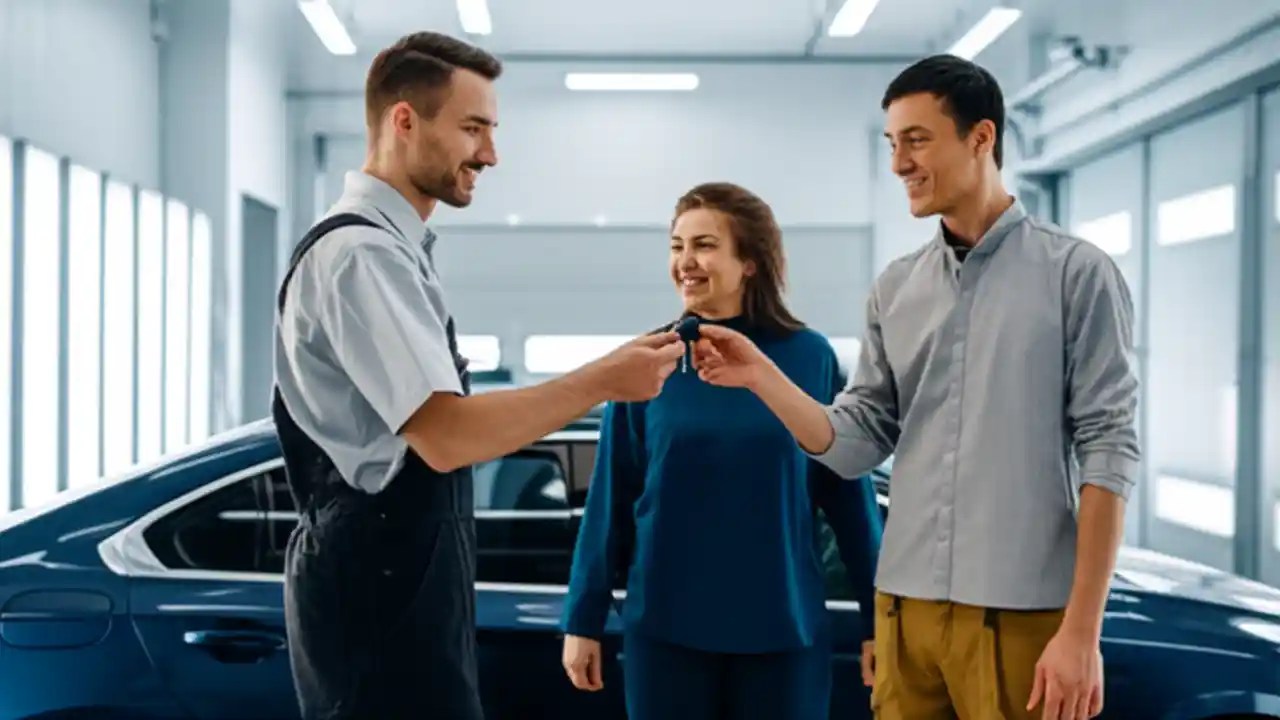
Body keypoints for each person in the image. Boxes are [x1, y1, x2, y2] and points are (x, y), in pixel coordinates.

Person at [691, 55, 1139, 720]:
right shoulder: (896, 287)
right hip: (906, 612)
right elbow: (856, 442)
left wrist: (1081, 630)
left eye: (917, 139)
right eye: (892, 144)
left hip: (1020, 613)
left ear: (981, 137)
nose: (899, 162)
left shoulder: (1077, 274)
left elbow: (1109, 449)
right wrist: (760, 375)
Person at [270, 31, 686, 720]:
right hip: (377, 606)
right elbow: (446, 435)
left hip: (395, 590)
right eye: (473, 129)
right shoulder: (362, 257)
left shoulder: (387, 251)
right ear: (404, 121)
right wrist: (604, 379)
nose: (490, 154)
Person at [559, 182, 883, 720]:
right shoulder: (647, 360)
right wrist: (582, 618)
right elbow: (610, 501)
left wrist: (879, 621)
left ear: (750, 261)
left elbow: (850, 497)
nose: (686, 261)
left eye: (704, 245)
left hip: (784, 633)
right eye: (676, 246)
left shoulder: (808, 357)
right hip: (665, 633)